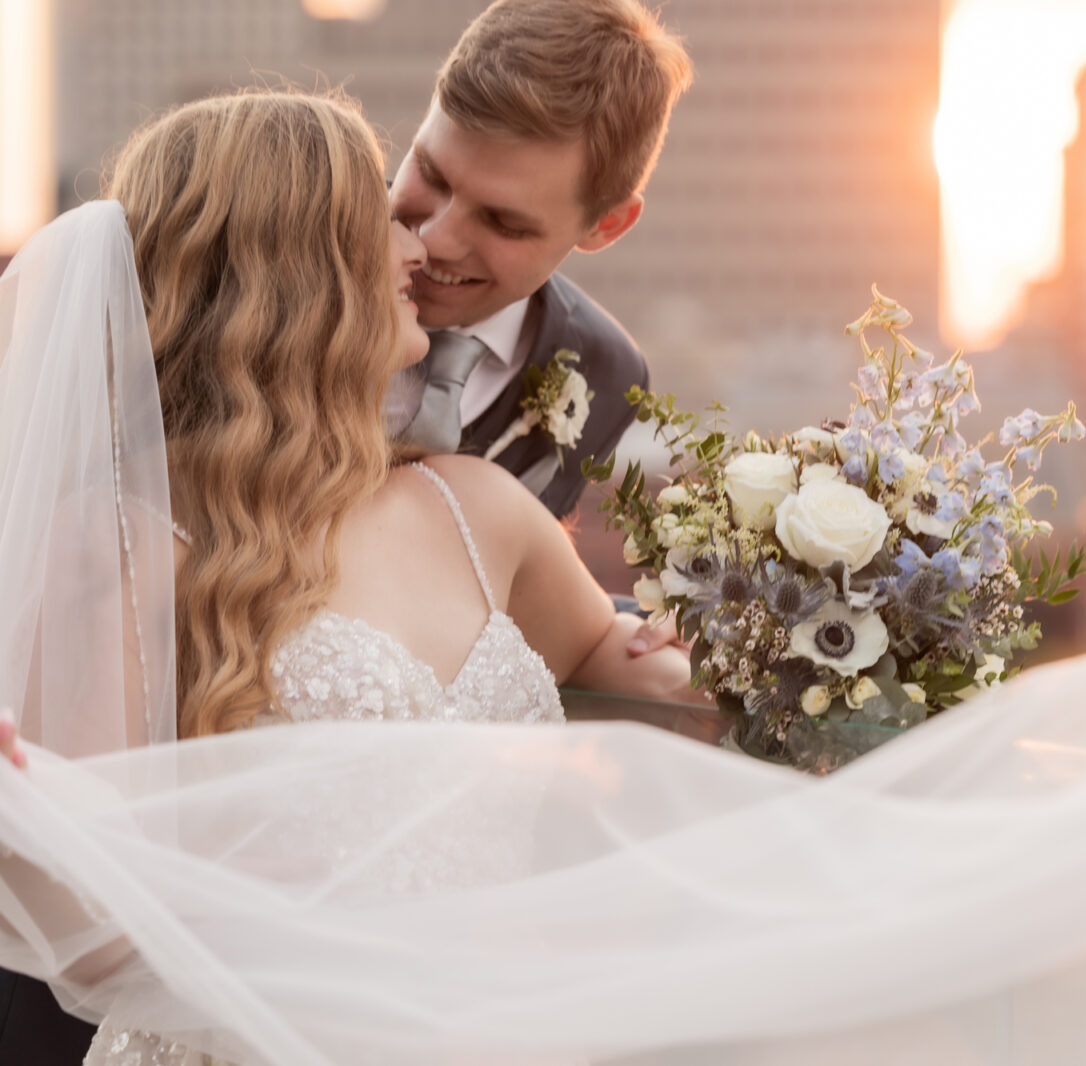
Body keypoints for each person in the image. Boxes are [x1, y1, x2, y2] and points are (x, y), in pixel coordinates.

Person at [0, 87, 695, 1066]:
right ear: (292, 266)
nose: (419, 247)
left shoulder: (478, 507)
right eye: (379, 216)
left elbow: (638, 668)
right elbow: (94, 927)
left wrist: (734, 642)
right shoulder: (121, 544)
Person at [388, 0, 692, 523]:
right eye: (430, 173)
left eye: (502, 222)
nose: (435, 240)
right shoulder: (281, 252)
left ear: (605, 226)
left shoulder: (608, 372)